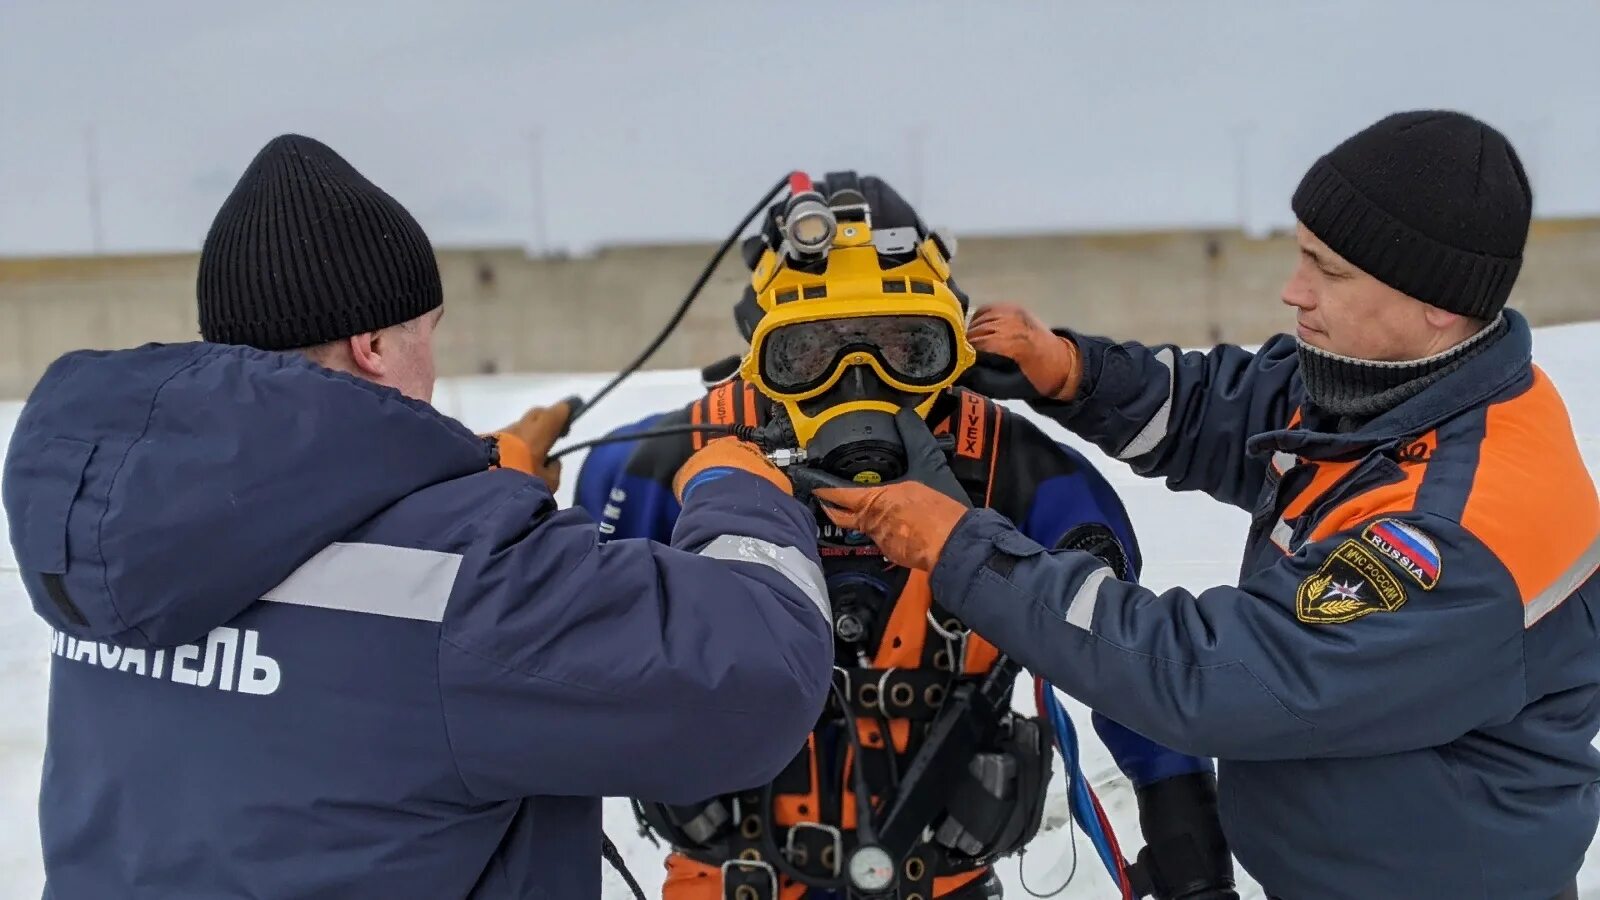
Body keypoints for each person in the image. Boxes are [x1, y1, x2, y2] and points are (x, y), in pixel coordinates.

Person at [1, 134, 837, 899]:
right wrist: (742, 485)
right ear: (373, 345)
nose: (432, 360)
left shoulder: (110, 525)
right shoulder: (467, 581)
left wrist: (480, 493)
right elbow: (759, 678)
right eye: (426, 331)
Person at [793, 112, 1600, 900]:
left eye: (1329, 270)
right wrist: (1071, 371)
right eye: (1300, 257)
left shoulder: (1456, 534)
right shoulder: (1388, 387)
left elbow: (1210, 678)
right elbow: (1227, 405)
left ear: (1435, 301)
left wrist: (962, 546)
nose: (1294, 292)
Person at [583, 173, 1238, 900]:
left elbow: (1126, 666)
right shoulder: (653, 469)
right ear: (759, 351)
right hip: (733, 876)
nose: (857, 383)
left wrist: (1193, 864)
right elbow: (554, 662)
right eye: (810, 355)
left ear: (953, 345)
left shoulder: (1024, 478)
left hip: (937, 877)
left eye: (905, 349)